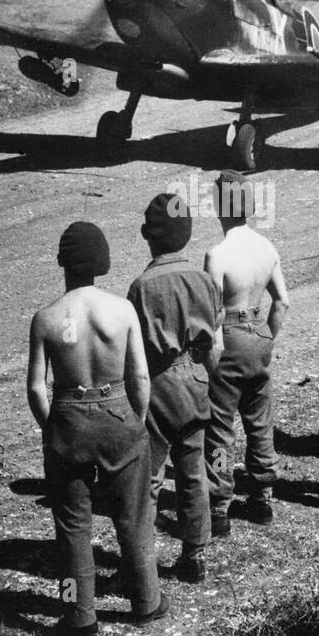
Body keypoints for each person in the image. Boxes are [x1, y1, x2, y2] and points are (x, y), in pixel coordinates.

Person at [26, 220, 170, 636]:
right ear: (103, 262)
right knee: (134, 515)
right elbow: (140, 378)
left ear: (61, 263)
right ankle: (146, 602)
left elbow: (37, 387)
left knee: (73, 524)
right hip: (118, 413)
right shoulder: (121, 310)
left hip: (69, 414)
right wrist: (137, 424)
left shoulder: (46, 318)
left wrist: (52, 429)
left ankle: (79, 614)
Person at [126, 193, 224, 584]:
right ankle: (195, 553)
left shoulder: (141, 287)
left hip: (158, 381)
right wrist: (213, 385)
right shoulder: (204, 281)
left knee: (149, 478)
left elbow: (133, 354)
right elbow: (213, 344)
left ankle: (143, 560)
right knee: (193, 470)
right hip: (196, 377)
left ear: (148, 235)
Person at [203, 170, 289, 532]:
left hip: (230, 335)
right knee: (259, 421)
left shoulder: (217, 253)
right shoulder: (266, 248)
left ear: (219, 207)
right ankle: (262, 497)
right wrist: (267, 337)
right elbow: (282, 301)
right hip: (258, 333)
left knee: (221, 426)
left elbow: (210, 313)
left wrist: (212, 356)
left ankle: (220, 504)